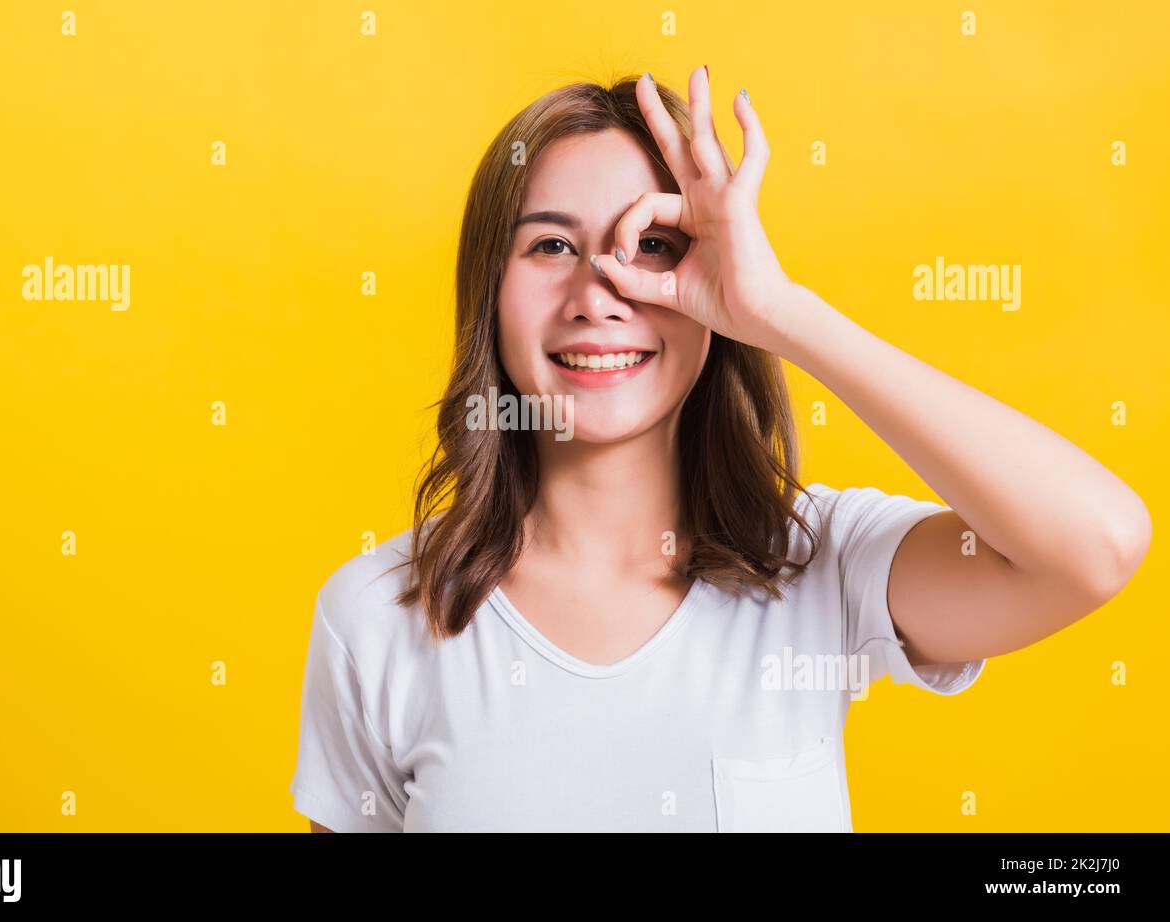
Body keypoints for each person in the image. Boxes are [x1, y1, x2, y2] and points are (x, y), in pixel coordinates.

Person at [289, 67, 1151, 832]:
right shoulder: (375, 620)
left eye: (652, 246)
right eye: (551, 245)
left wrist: (778, 312)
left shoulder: (820, 565)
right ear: (489, 291)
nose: (600, 293)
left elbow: (1095, 545)